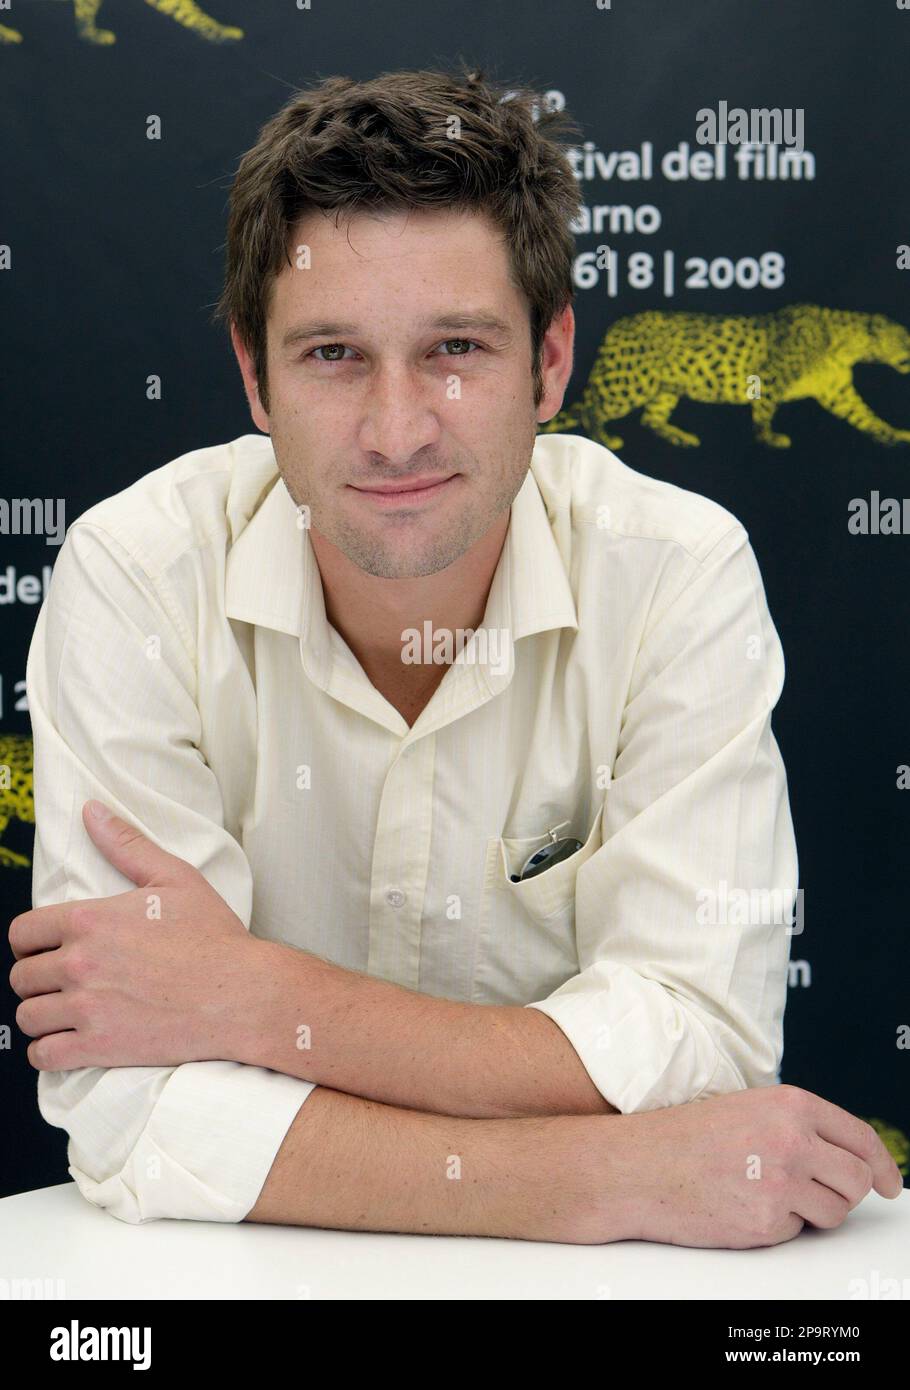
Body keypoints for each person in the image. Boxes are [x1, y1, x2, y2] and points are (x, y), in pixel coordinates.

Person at [10, 66, 902, 1247]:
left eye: (455, 349)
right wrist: (604, 1177)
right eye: (332, 354)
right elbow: (128, 1104)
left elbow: (697, 1050)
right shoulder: (133, 576)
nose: (396, 430)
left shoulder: (675, 572)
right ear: (251, 377)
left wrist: (260, 1002)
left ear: (548, 364)